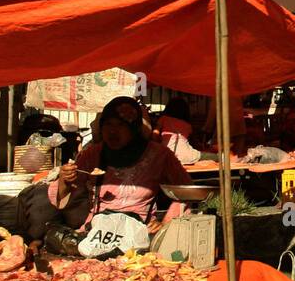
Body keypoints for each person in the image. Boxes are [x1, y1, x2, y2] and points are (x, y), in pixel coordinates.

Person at [50, 95, 191, 231]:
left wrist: (166, 224)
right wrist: (65, 180)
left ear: (134, 128)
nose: (112, 131)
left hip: (141, 234)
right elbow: (62, 197)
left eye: (121, 125)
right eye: (108, 124)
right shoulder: (93, 154)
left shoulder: (159, 155)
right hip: (96, 234)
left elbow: (187, 192)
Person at [156, 97, 202, 166]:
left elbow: (154, 136)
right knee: (214, 156)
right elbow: (195, 143)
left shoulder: (163, 119)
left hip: (167, 156)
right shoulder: (188, 125)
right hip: (187, 156)